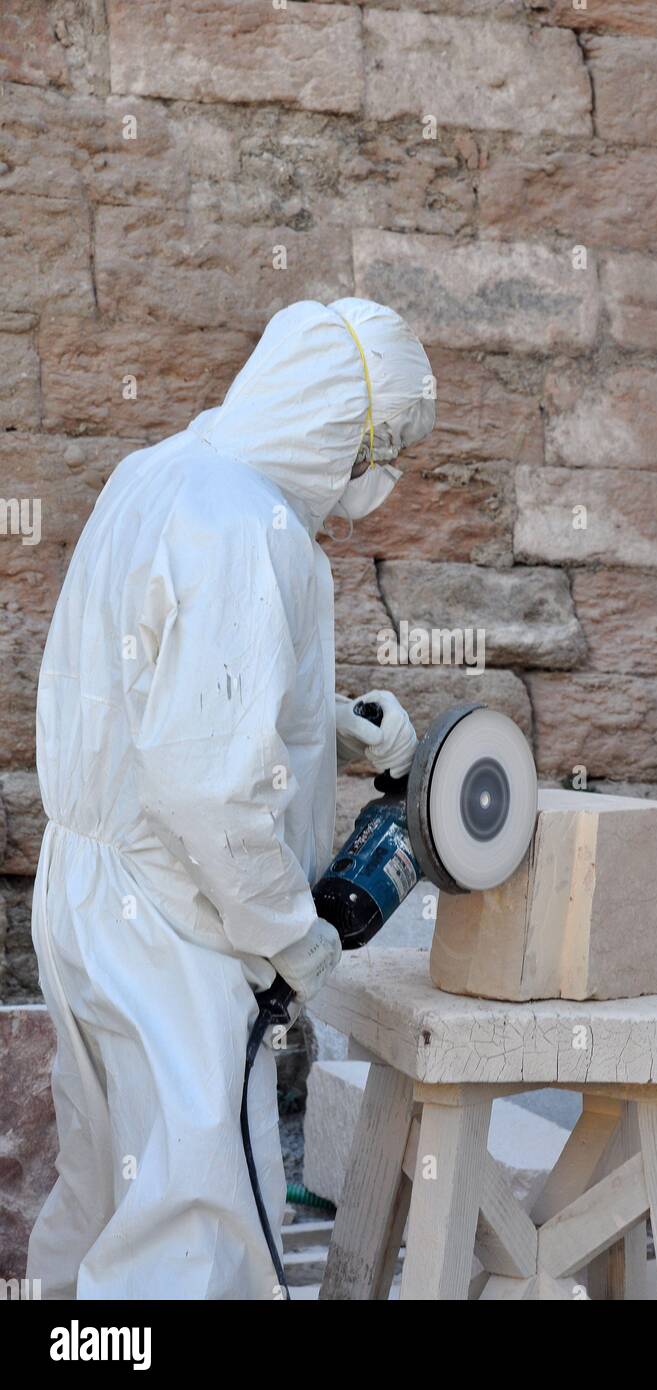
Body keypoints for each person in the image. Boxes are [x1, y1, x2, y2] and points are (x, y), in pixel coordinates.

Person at [27, 298, 435, 1299]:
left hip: (88, 889)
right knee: (197, 1226)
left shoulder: (161, 472)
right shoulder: (246, 528)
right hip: (176, 919)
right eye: (376, 451)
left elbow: (164, 698)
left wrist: (332, 727)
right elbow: (207, 792)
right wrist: (290, 932)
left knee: (105, 1186)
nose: (373, 478)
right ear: (340, 429)